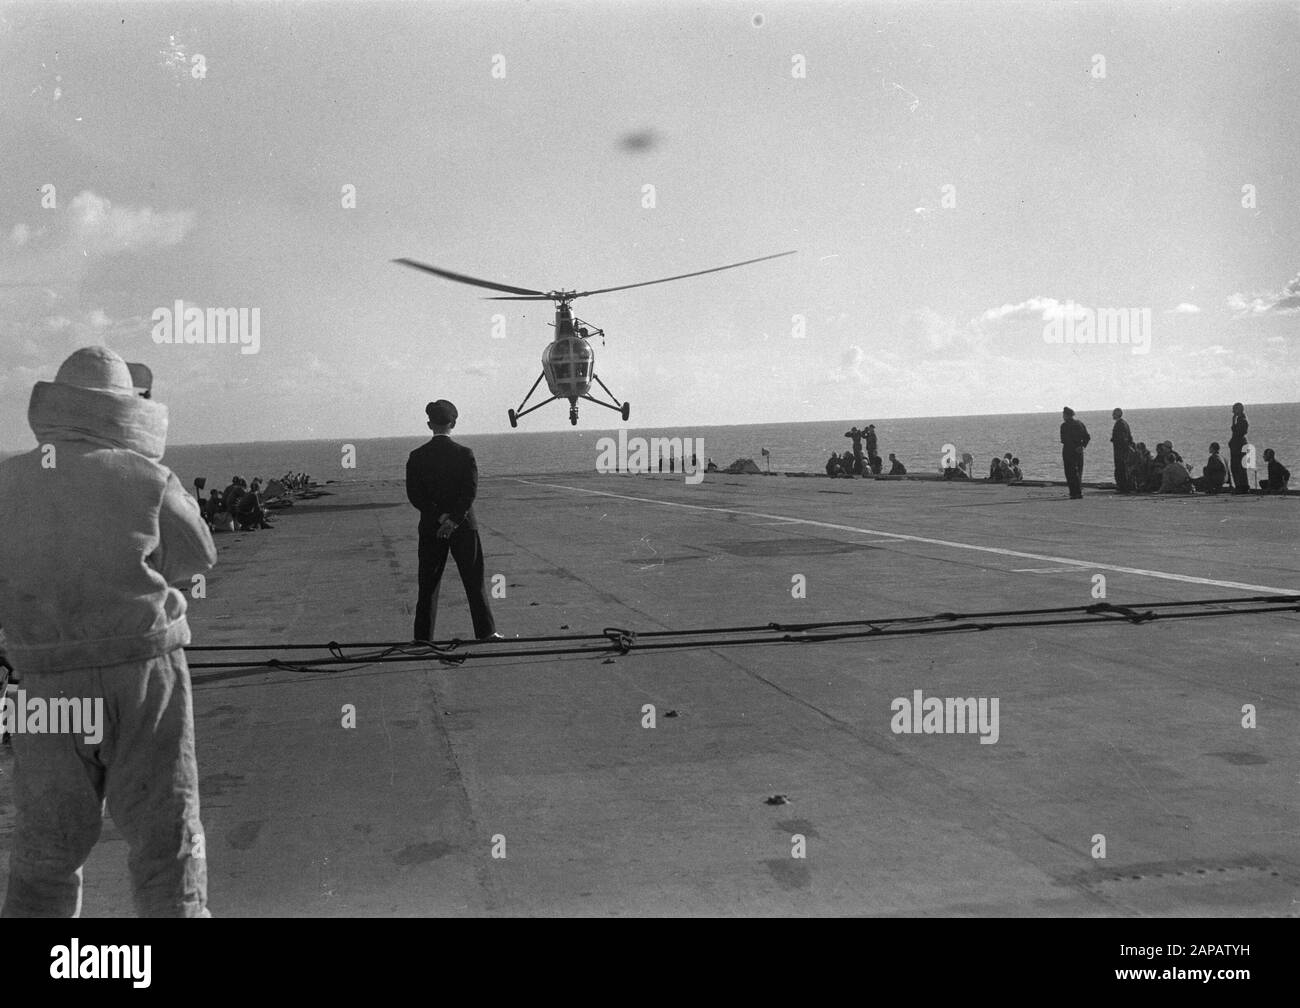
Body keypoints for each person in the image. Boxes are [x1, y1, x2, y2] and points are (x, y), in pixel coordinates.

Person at [0, 346, 215, 917]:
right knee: (166, 838)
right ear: (125, 407)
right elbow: (198, 556)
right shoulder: (147, 477)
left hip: (43, 682)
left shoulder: (6, 481)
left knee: (44, 849)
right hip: (143, 675)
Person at [406, 400, 500, 643]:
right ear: (454, 423)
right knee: (474, 581)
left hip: (431, 528)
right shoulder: (464, 454)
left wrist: (440, 517)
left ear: (429, 424)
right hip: (465, 527)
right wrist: (455, 519)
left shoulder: (416, 456)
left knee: (428, 584)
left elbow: (415, 496)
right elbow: (469, 492)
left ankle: (423, 638)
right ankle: (486, 632)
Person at [1060, 406, 1090, 499]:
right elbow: (1087, 437)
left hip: (1069, 450)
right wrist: (1082, 445)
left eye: (1063, 415)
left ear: (1066, 415)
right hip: (1079, 450)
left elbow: (1064, 439)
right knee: (1078, 471)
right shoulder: (1080, 423)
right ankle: (1078, 491)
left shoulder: (1064, 426)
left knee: (1070, 472)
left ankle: (1073, 492)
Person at [1110, 408, 1133, 493]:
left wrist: (1115, 440)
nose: (1112, 415)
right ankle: (1124, 487)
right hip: (1123, 450)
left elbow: (1122, 438)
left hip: (1120, 451)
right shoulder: (1124, 423)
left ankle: (1122, 487)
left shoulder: (1120, 424)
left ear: (1117, 414)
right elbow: (1129, 437)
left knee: (1120, 469)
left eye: (1114, 414)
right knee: (1123, 469)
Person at [1229, 403, 1250, 493]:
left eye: (1235, 409)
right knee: (1238, 467)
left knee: (1238, 467)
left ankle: (1241, 487)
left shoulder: (1242, 420)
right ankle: (1241, 486)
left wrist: (1233, 422)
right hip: (1238, 446)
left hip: (1239, 447)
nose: (1233, 411)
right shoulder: (1240, 419)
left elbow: (1238, 433)